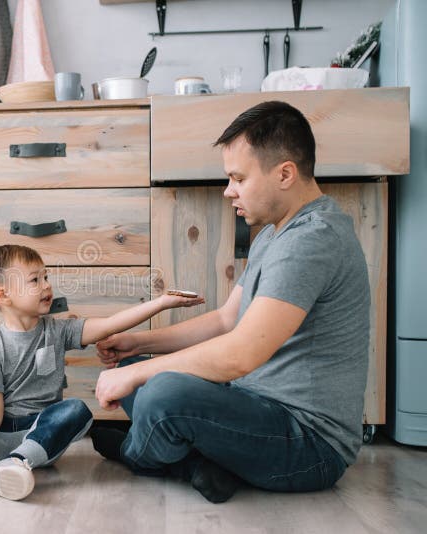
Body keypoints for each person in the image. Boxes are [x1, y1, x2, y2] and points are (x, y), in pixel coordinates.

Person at [91, 101, 370, 504]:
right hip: (255, 405)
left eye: (238, 178)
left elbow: (239, 354)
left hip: (309, 443)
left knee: (162, 393)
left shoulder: (312, 241)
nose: (228, 190)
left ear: (285, 174)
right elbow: (226, 321)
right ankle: (206, 465)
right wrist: (139, 346)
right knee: (138, 371)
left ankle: (141, 455)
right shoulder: (275, 235)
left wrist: (143, 376)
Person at [0, 244, 203, 500]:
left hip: (39, 439)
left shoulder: (58, 331)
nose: (47, 286)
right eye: (35, 280)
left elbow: (109, 325)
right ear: (4, 296)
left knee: (78, 410)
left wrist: (160, 304)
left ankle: (16, 464)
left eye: (46, 277)